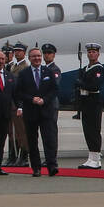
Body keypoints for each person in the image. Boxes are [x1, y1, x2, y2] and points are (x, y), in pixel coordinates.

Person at [16, 47, 60, 177]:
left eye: (39, 56)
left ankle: (52, 166)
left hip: (46, 111)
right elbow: (18, 92)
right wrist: (31, 99)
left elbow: (54, 90)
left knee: (49, 139)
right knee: (32, 141)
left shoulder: (48, 71)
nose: (37, 58)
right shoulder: (24, 74)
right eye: (34, 56)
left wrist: (44, 100)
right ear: (29, 59)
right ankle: (36, 168)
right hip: (30, 112)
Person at [75, 43, 104, 169]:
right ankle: (91, 157)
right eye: (89, 52)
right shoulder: (86, 68)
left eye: (94, 52)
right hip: (85, 102)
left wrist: (82, 84)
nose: (91, 54)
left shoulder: (99, 69)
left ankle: (96, 158)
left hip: (94, 101)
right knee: (87, 131)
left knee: (94, 130)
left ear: (98, 54)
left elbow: (96, 85)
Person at [39, 43, 63, 173]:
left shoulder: (55, 70)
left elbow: (54, 87)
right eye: (45, 53)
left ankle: (52, 158)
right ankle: (48, 157)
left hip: (51, 105)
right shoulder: (42, 69)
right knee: (45, 134)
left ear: (53, 55)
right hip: (43, 105)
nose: (47, 55)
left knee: (51, 133)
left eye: (49, 53)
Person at [5, 42, 30, 167]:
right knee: (12, 131)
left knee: (21, 131)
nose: (17, 53)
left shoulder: (25, 67)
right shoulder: (13, 66)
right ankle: (13, 156)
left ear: (24, 53)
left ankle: (24, 157)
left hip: (19, 103)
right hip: (12, 103)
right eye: (15, 51)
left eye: (19, 51)